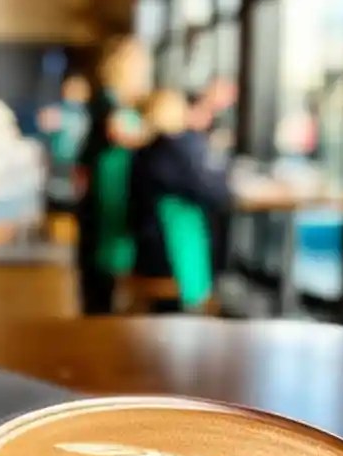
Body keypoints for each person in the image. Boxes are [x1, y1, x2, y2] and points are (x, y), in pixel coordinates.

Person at [129, 90, 235, 311]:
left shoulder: (142, 153)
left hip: (146, 252)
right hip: (171, 258)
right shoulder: (175, 150)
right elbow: (215, 192)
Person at [75, 38, 152, 315]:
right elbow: (120, 133)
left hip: (114, 195)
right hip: (105, 199)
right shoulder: (107, 101)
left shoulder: (119, 103)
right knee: (100, 277)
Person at [37, 74, 91, 210]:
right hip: (63, 164)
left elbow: (44, 122)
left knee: (64, 201)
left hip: (69, 164)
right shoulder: (81, 114)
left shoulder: (75, 114)